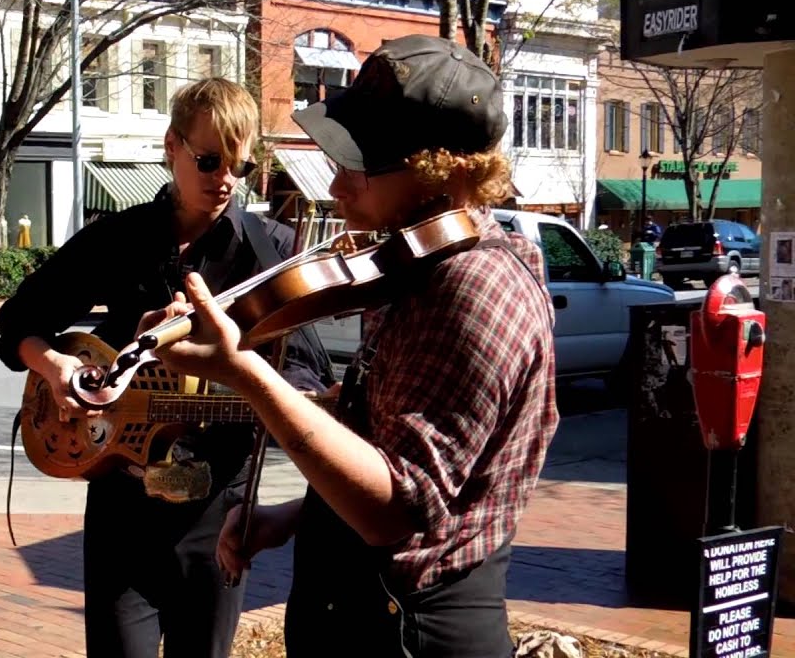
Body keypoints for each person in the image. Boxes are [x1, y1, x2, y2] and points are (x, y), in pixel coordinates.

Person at [139, 35, 560, 656]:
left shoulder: (472, 285)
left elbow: (401, 509)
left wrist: (248, 373)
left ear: (433, 170)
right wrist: (292, 518)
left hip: (410, 632)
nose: (336, 182)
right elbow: (386, 445)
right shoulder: (416, 270)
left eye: (358, 163)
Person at [0, 77, 332, 658]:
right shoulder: (119, 238)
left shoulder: (272, 249)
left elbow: (303, 372)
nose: (223, 179)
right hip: (119, 503)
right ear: (172, 145)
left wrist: (230, 360)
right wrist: (56, 368)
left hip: (216, 511)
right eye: (207, 160)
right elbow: (19, 323)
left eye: (238, 166)